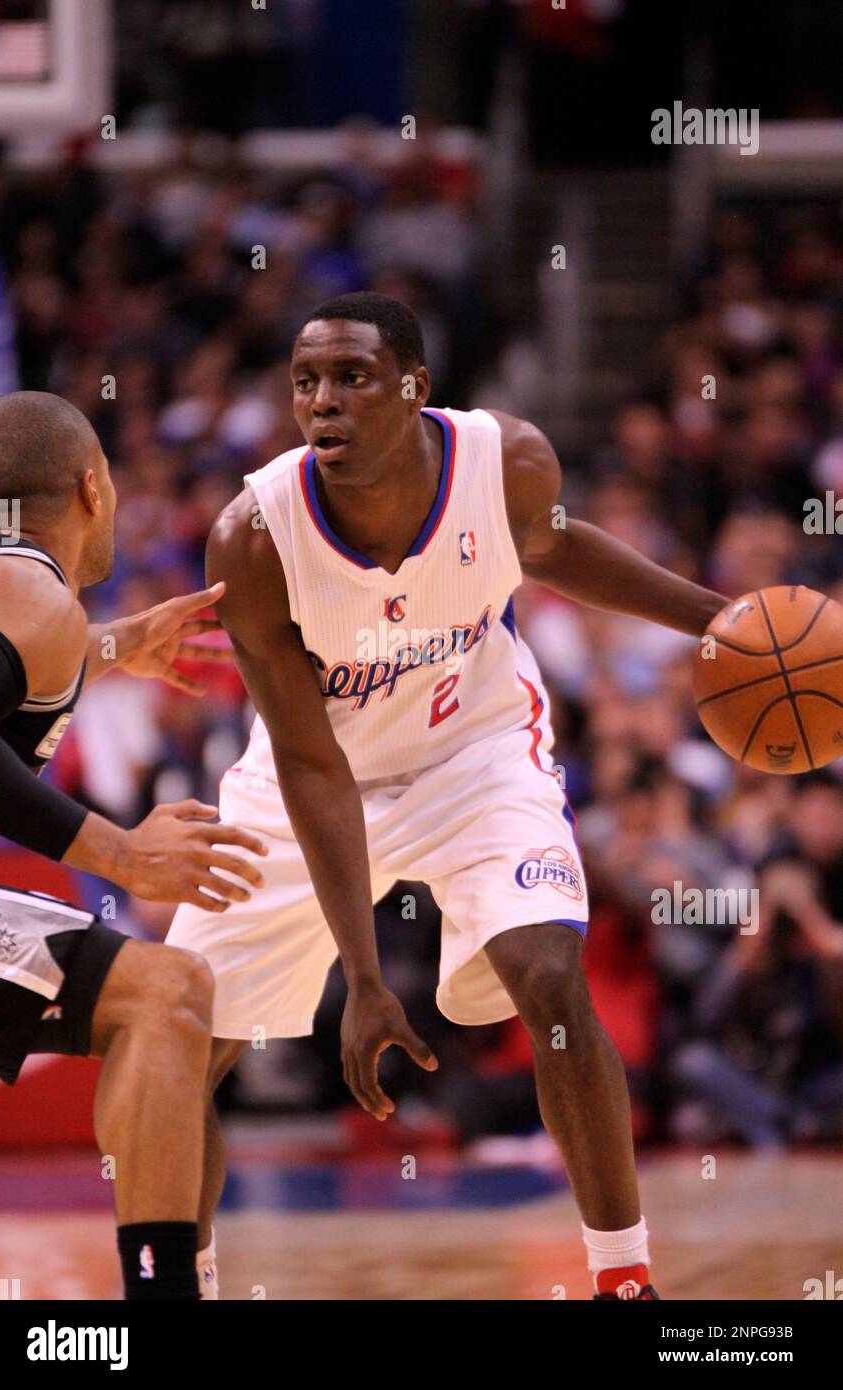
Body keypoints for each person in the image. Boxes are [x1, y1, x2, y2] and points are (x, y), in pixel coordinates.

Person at [168, 292, 728, 1300]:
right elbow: (308, 765)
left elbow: (554, 547)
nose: (323, 402)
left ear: (414, 387)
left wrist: (717, 618)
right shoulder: (252, 537)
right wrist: (364, 971)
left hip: (472, 751)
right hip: (309, 780)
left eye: (352, 377)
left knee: (553, 979)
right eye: (306, 382)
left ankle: (622, 1281)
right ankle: (182, 1285)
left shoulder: (503, 463)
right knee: (176, 1038)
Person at [0, 390, 267, 1300]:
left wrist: (113, 646)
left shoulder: (6, 587)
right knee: (165, 992)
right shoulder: (31, 588)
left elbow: (14, 664)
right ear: (92, 489)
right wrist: (121, 854)